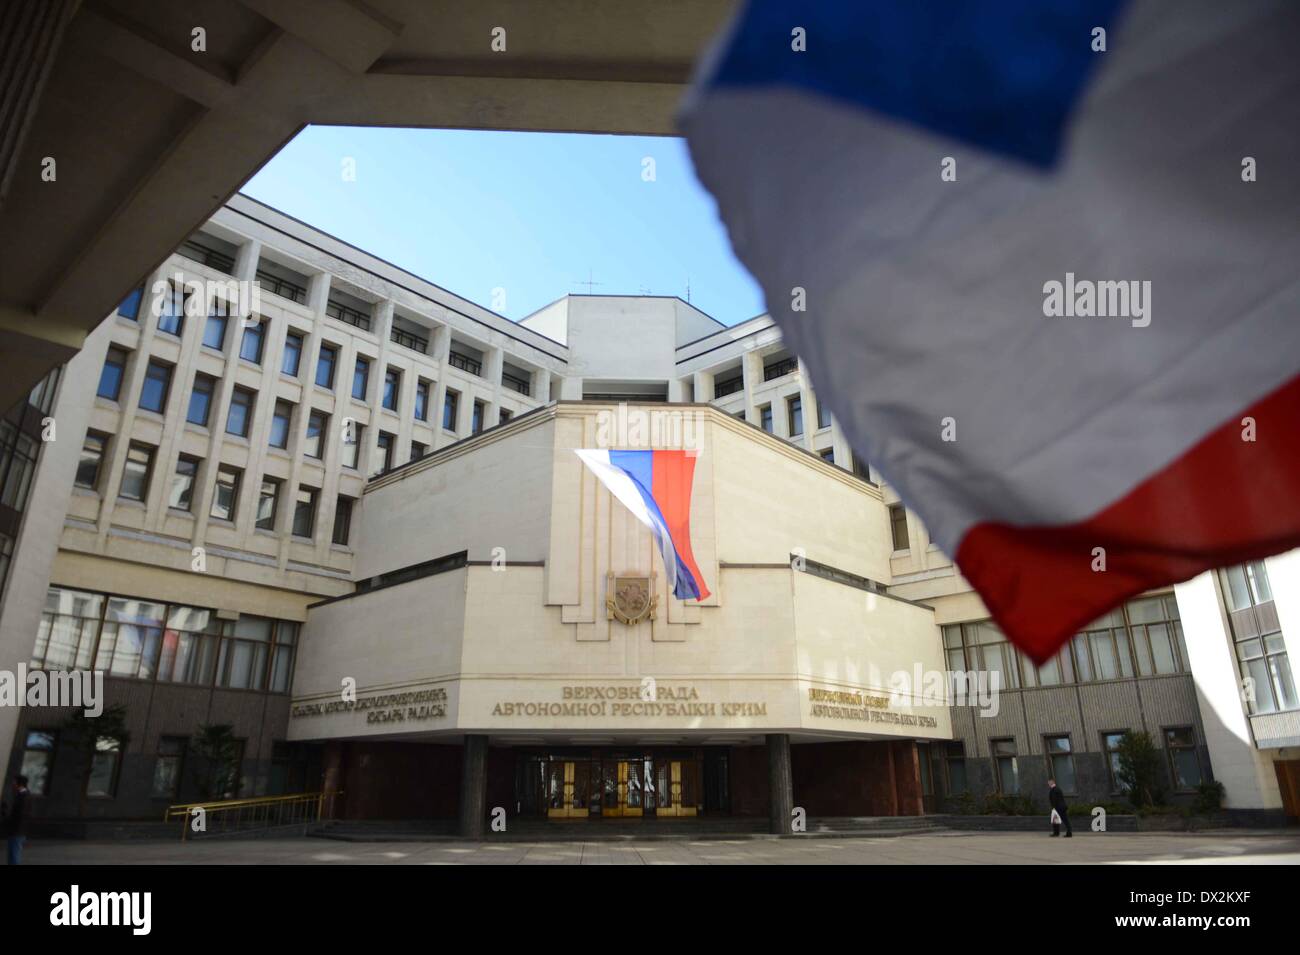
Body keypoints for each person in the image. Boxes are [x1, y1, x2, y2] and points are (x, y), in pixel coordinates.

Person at [2, 774, 30, 864]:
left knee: (14, 855)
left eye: (14, 782)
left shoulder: (24, 796)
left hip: (17, 831)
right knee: (11, 855)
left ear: (20, 783)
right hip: (15, 830)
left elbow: (19, 815)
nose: (12, 784)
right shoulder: (20, 795)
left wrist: (6, 815)